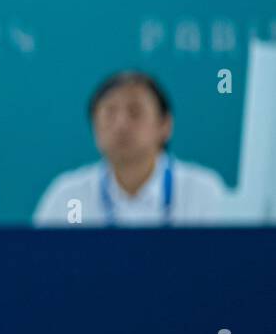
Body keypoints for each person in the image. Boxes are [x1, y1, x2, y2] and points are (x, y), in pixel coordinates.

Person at [33, 71, 227, 227]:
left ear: (165, 125)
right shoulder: (68, 197)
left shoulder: (203, 192)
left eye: (135, 112)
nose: (121, 125)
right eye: (109, 113)